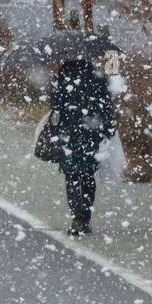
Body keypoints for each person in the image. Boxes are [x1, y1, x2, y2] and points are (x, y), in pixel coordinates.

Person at [50, 58, 116, 236]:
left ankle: (77, 217)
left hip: (68, 133)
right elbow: (107, 105)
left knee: (71, 175)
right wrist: (108, 128)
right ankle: (85, 217)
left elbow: (56, 106)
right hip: (91, 132)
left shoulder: (63, 78)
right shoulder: (98, 77)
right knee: (87, 175)